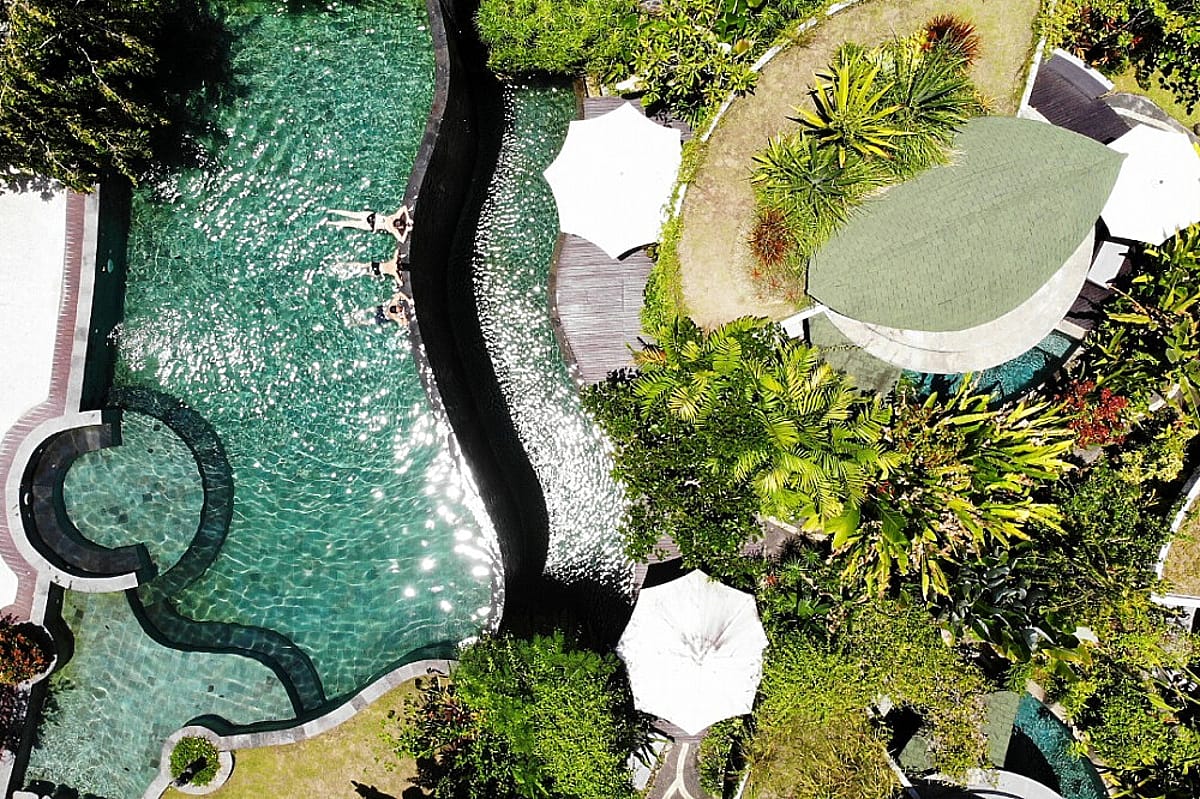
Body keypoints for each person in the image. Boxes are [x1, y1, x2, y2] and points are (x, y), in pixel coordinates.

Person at [321, 205, 412, 244]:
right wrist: (407, 223)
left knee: (351, 221)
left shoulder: (394, 223)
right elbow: (402, 240)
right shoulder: (394, 223)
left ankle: (332, 218)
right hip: (371, 220)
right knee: (351, 218)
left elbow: (402, 240)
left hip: (370, 221)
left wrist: (407, 223)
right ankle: (332, 215)